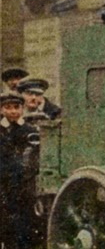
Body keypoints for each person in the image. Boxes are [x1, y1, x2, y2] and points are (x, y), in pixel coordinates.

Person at [0, 90, 40, 249]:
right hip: (2, 186)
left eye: (16, 107)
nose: (12, 111)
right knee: (5, 225)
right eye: (7, 107)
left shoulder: (30, 131)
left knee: (24, 225)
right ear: (1, 110)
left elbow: (32, 159)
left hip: (23, 186)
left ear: (22, 109)